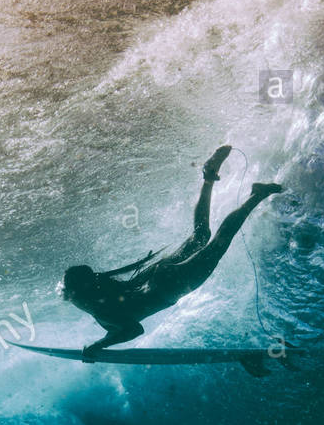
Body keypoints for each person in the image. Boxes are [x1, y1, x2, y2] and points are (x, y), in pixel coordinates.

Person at [59, 145, 283, 357]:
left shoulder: (96, 307)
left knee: (219, 243)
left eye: (68, 292)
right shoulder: (103, 293)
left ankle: (258, 194)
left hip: (169, 287)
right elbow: (122, 326)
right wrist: (104, 340)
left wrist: (99, 345)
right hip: (158, 274)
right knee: (200, 236)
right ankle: (208, 176)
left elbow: (133, 330)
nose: (68, 297)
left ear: (78, 292)